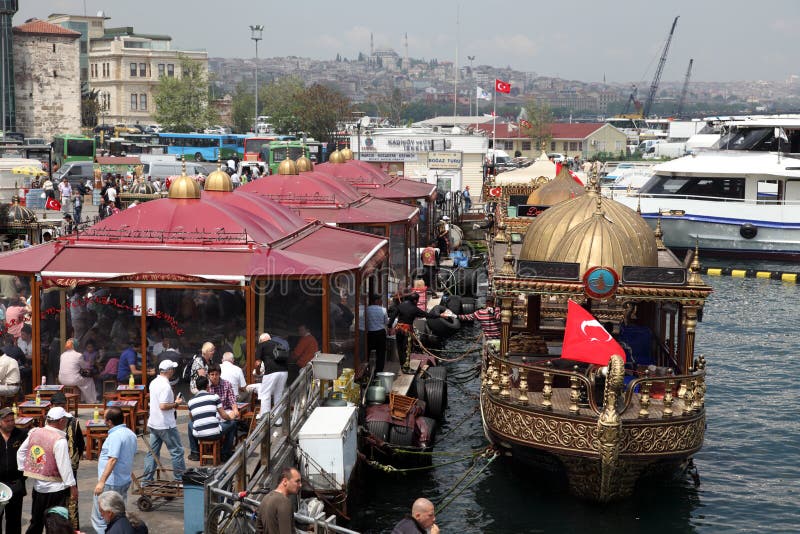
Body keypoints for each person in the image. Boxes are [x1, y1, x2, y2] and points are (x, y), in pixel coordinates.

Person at [16, 407, 78, 534]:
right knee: (57, 525)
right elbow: (64, 466)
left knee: (36, 523)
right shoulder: (59, 440)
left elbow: (20, 452)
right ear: (61, 421)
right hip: (56, 490)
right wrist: (72, 486)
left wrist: (27, 469)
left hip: (39, 489)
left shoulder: (35, 433)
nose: (66, 422)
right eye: (65, 420)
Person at [92, 407, 138, 534]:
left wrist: (101, 482)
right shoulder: (130, 433)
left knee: (100, 516)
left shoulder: (115, 436)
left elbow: (112, 460)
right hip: (124, 480)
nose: (103, 420)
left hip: (112, 482)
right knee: (119, 514)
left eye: (105, 418)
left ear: (110, 422)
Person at [142, 360, 185, 482]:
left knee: (152, 453)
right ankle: (179, 480)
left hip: (154, 423)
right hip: (165, 424)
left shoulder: (154, 382)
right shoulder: (166, 386)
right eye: (172, 369)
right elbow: (163, 406)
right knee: (177, 452)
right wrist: (175, 403)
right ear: (169, 371)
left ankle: (146, 481)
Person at [49, 392, 85, 531]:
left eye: (62, 405)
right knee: (56, 501)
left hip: (69, 467)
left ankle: (72, 530)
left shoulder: (73, 421)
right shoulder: (49, 420)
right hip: (53, 468)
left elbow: (80, 444)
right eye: (58, 405)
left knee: (71, 499)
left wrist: (74, 461)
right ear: (51, 405)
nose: (61, 408)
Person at [390, 292, 448, 372]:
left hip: (398, 329)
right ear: (415, 300)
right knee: (407, 350)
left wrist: (389, 326)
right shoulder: (414, 309)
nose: (417, 302)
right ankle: (406, 368)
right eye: (417, 301)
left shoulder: (401, 305)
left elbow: (393, 316)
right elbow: (427, 315)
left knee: (400, 349)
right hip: (407, 331)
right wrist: (440, 315)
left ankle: (402, 366)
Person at [187, 375, 234, 462]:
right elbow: (223, 415)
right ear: (207, 386)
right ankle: (225, 453)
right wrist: (230, 417)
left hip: (199, 435)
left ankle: (195, 452)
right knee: (232, 424)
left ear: (196, 387)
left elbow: (192, 418)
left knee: (189, 424)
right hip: (214, 433)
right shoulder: (214, 397)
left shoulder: (190, 402)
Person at [0, 406, 27, 534]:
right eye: (7, 421)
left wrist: (23, 477)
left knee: (14, 521)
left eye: (12, 420)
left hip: (15, 484)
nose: (11, 423)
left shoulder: (21, 435)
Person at [256, 467, 302, 534]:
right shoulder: (284, 502)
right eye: (297, 481)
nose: (300, 485)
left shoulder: (265, 498)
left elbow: (258, 530)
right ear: (285, 481)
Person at [207, 365, 239, 459]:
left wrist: (235, 410)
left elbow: (232, 400)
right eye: (212, 374)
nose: (214, 376)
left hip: (225, 410)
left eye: (216, 374)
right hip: (212, 412)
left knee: (232, 422)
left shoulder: (226, 384)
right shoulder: (206, 386)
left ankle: (226, 451)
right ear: (208, 375)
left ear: (219, 374)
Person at [255, 333, 288, 421]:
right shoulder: (279, 344)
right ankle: (278, 420)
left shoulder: (261, 345)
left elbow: (258, 363)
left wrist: (258, 371)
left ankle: (265, 419)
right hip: (284, 372)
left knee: (265, 394)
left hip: (271, 372)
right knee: (278, 395)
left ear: (261, 340)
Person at [58, 338, 97, 403]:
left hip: (62, 379)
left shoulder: (62, 355)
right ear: (75, 346)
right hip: (73, 380)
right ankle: (91, 401)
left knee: (81, 381)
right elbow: (84, 367)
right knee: (90, 380)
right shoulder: (78, 355)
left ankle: (82, 399)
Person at [365, 295, 389, 373]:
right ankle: (378, 372)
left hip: (370, 333)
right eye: (380, 300)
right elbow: (386, 322)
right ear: (376, 301)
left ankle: (366, 369)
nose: (381, 301)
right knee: (381, 354)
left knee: (367, 352)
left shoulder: (367, 309)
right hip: (380, 333)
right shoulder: (383, 310)